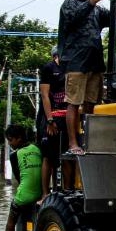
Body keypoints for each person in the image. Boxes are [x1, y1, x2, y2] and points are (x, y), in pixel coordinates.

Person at [58, 0, 110, 155]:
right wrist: (93, 0)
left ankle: (89, 142)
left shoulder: (97, 9)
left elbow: (115, 19)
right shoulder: (70, 3)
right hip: (75, 61)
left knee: (90, 104)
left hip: (94, 62)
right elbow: (72, 19)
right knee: (73, 103)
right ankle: (73, 143)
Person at [4, 125, 43, 231]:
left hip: (24, 196)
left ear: (19, 139)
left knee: (11, 221)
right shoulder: (38, 148)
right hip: (42, 194)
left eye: (10, 140)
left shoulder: (14, 155)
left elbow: (19, 177)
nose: (9, 143)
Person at [37, 46, 68, 195]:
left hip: (66, 117)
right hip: (50, 117)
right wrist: (50, 120)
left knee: (66, 155)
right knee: (48, 157)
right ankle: (45, 193)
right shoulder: (49, 68)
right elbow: (44, 95)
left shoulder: (69, 69)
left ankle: (65, 191)